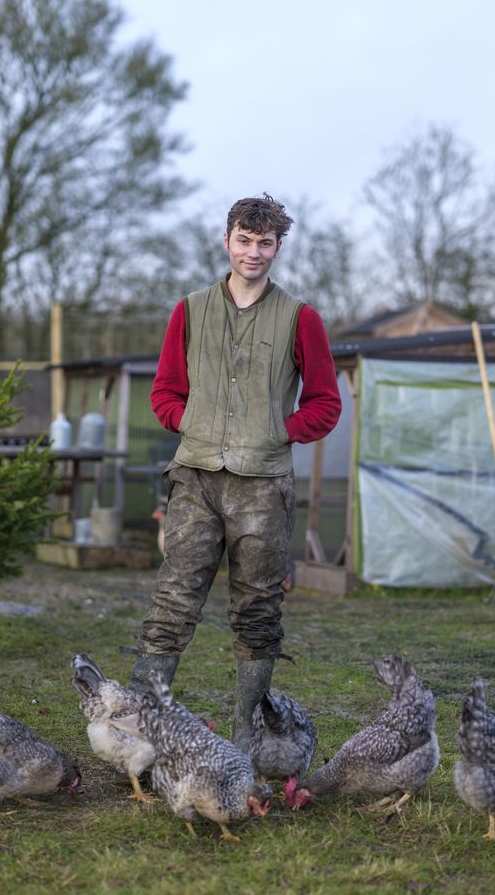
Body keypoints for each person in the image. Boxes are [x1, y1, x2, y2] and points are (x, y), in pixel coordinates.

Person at [130, 194, 342, 749]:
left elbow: (325, 403)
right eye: (244, 240)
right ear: (226, 241)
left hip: (263, 487)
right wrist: (188, 421)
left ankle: (248, 732)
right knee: (174, 598)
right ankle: (141, 729)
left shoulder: (301, 318)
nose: (253, 251)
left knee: (257, 608)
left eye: (265, 243)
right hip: (195, 477)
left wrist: (280, 431)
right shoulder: (190, 310)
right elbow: (165, 390)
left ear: (277, 248)